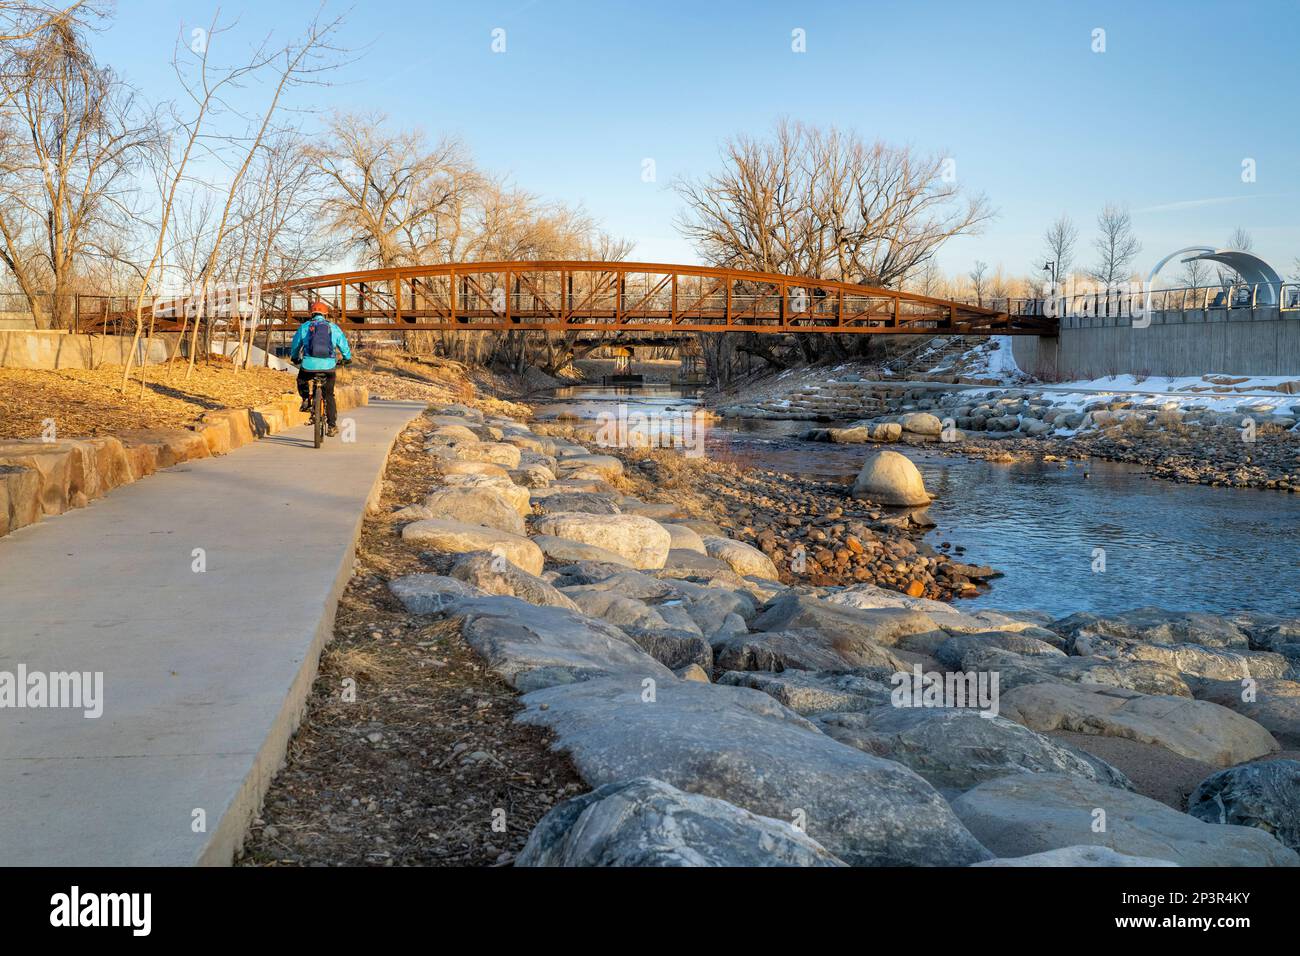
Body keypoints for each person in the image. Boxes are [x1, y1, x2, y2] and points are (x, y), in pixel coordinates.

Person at [289, 300, 353, 437]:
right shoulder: (333, 327)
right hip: (329, 367)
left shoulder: (305, 327)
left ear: (311, 314)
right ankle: (332, 426)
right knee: (329, 395)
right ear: (325, 314)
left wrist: (294, 357)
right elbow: (343, 344)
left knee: (301, 379)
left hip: (308, 366)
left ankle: (306, 399)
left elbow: (295, 345)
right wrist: (347, 358)